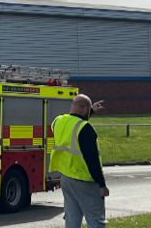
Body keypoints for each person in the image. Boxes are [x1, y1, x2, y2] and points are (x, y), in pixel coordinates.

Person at [49, 94, 108, 228]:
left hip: (66, 178)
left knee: (72, 220)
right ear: (84, 109)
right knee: (96, 220)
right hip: (85, 180)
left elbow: (74, 125)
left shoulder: (58, 121)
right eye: (87, 110)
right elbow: (92, 160)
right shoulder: (86, 129)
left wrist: (90, 110)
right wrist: (102, 185)